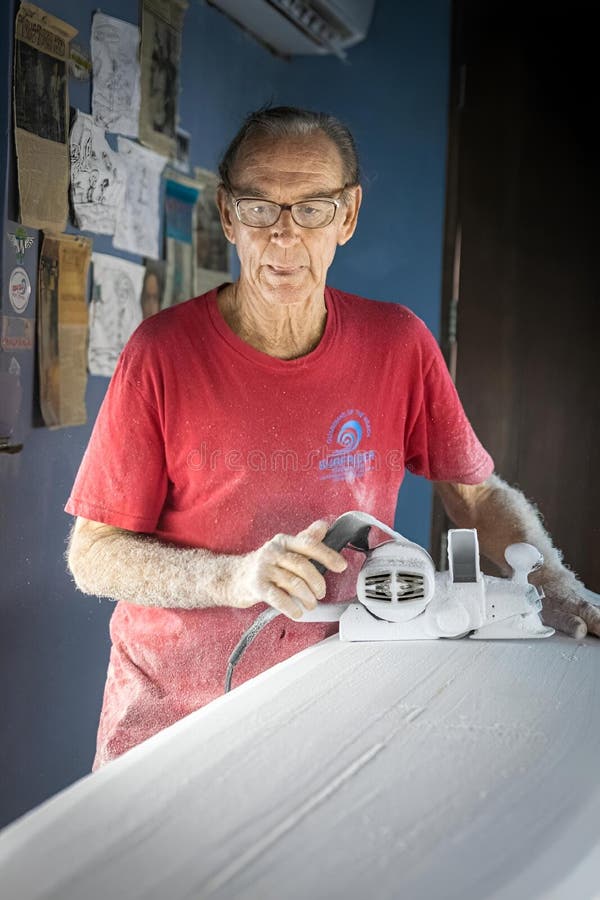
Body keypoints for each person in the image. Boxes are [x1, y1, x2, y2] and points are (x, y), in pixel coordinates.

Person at [66, 106, 599, 769]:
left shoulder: (397, 343)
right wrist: (235, 577)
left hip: (333, 701)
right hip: (168, 715)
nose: (285, 237)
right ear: (229, 216)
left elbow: (476, 497)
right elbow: (93, 555)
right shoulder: (161, 352)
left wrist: (560, 589)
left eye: (312, 209)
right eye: (261, 209)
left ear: (347, 216)